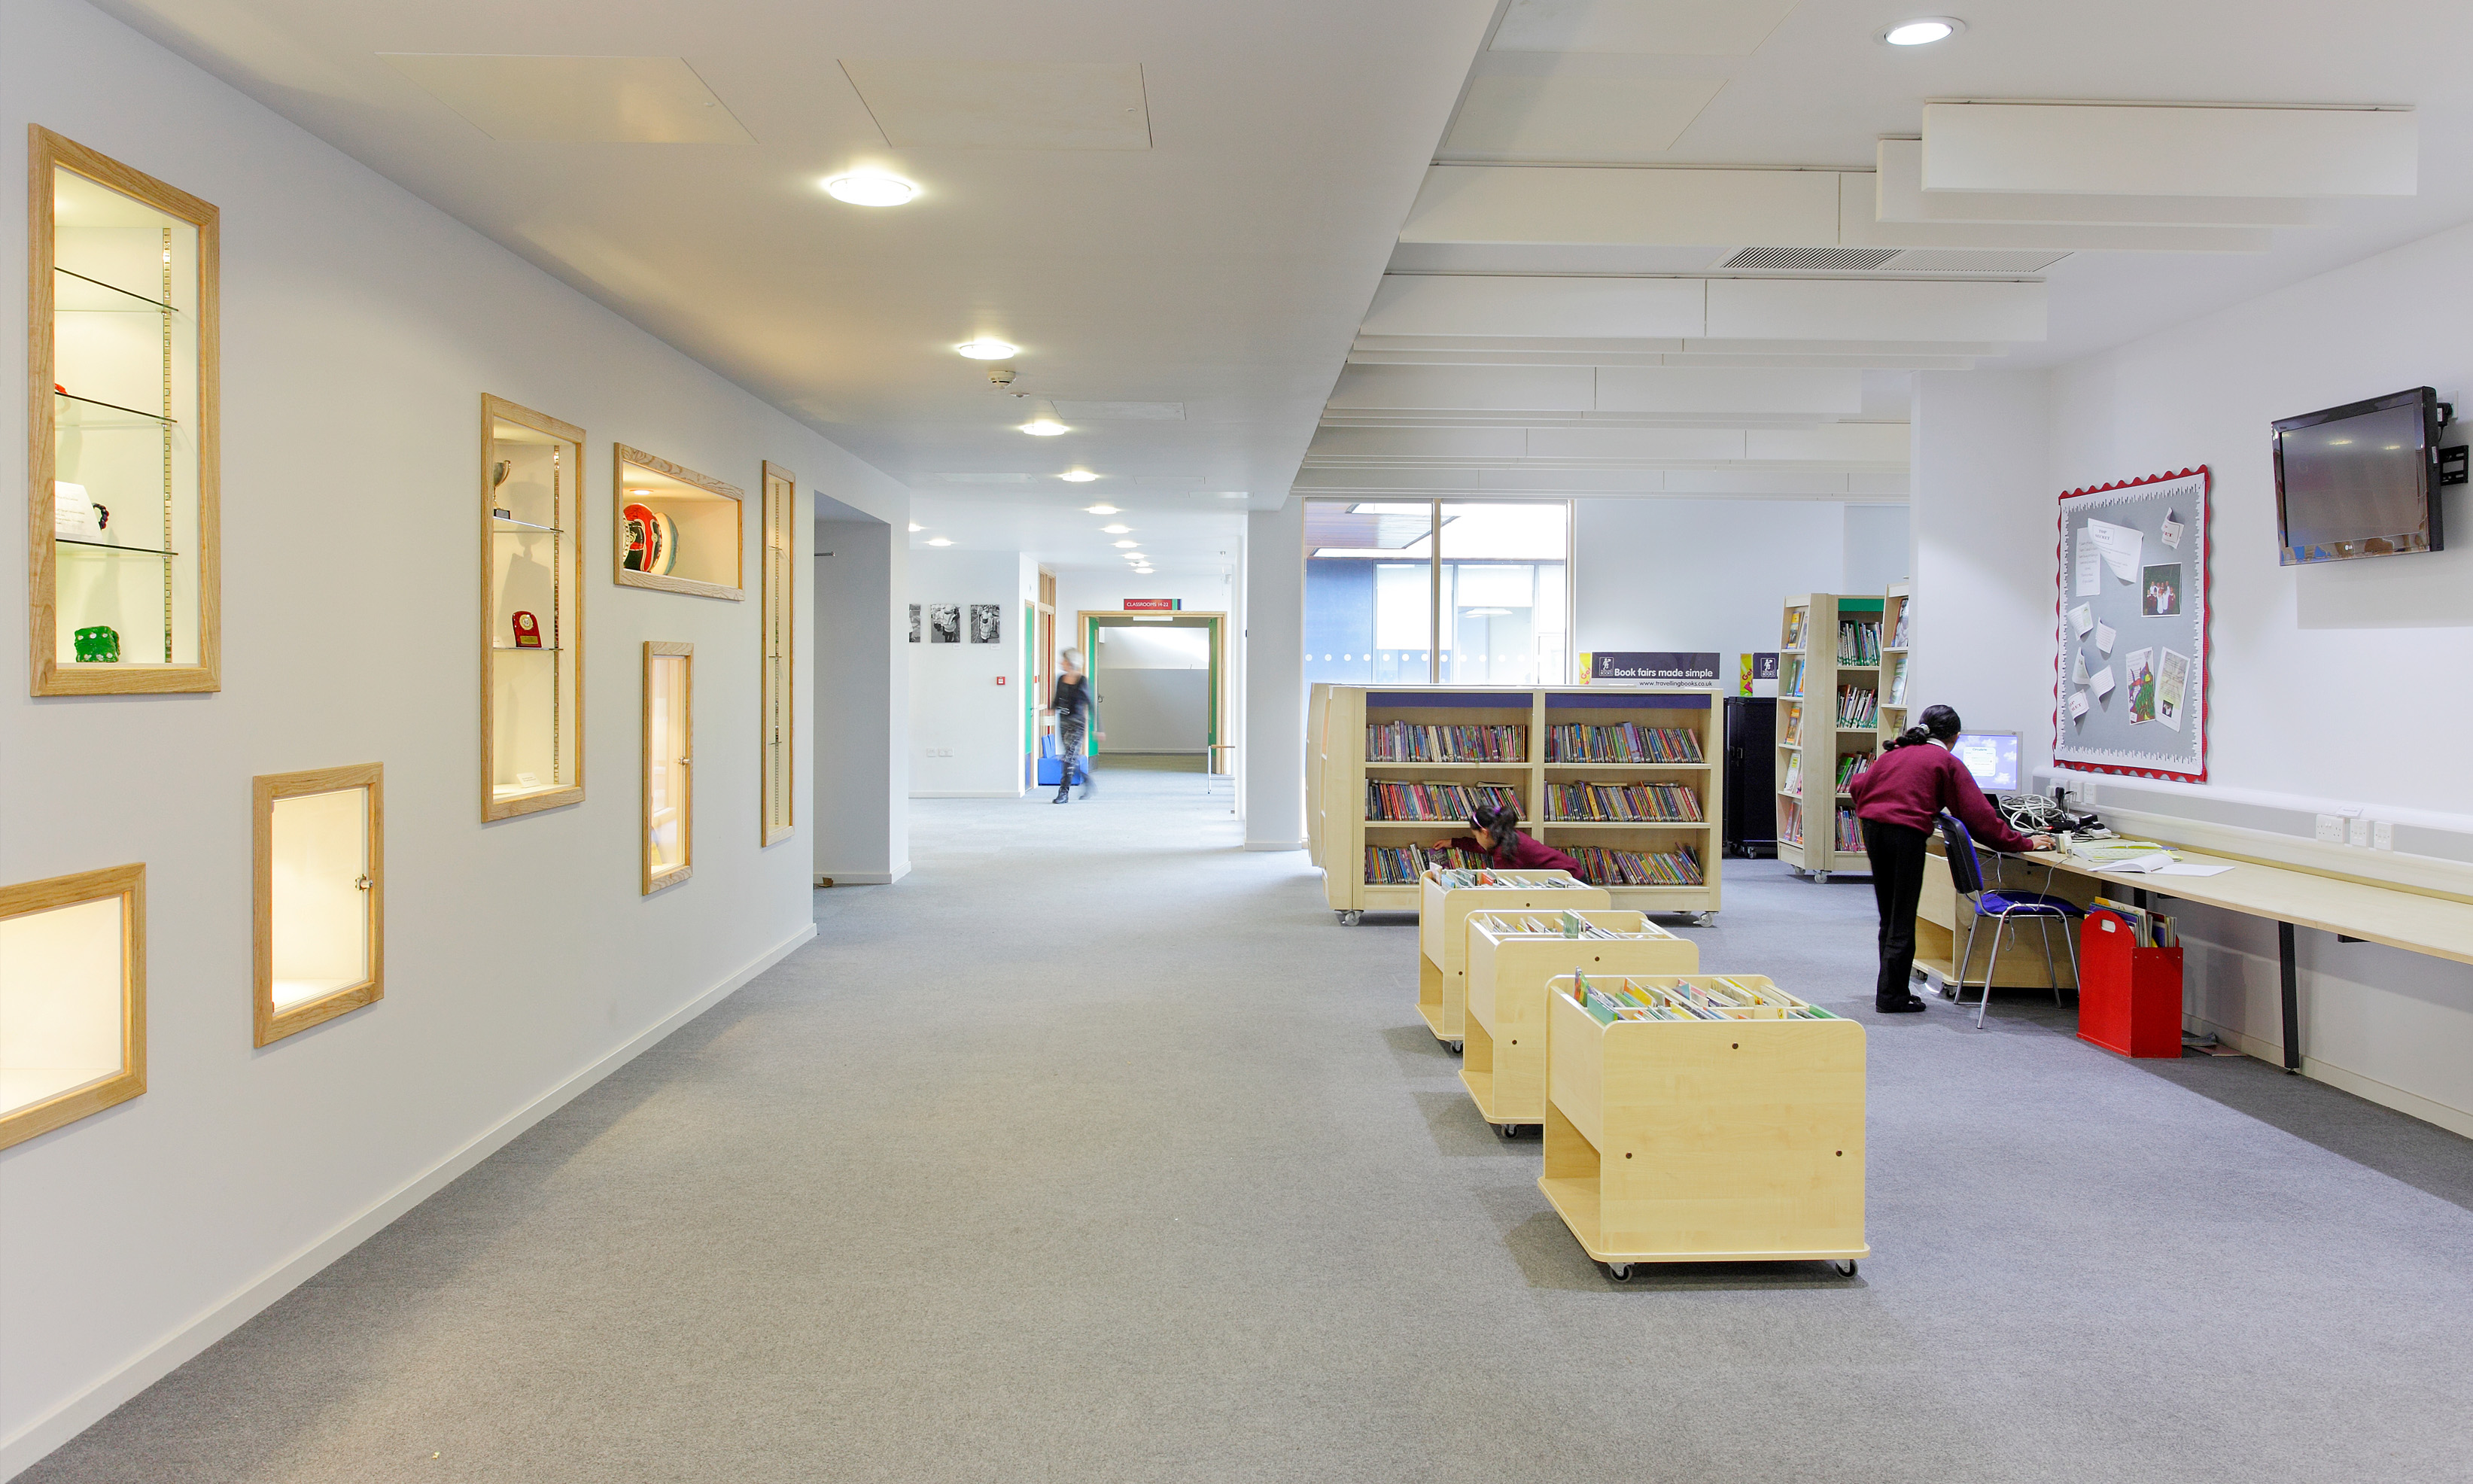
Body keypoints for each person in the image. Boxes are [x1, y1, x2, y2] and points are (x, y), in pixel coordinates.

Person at [1846, 703, 2054, 1014]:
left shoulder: (1894, 753)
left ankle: (1892, 990)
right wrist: (2022, 842)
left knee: (1889, 915)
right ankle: (1892, 997)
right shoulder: (1945, 761)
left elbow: (1858, 785)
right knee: (1903, 915)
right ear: (1955, 737)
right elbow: (1978, 817)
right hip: (1906, 835)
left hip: (1873, 829)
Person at [1434, 802, 1584, 877]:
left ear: (1485, 833)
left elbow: (1505, 888)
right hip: (1571, 872)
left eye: (1476, 835)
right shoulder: (1506, 837)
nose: (1476, 840)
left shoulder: (1505, 853)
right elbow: (1480, 846)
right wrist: (1452, 842)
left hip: (1570, 880)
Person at [1048, 649, 1103, 803]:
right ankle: (1088, 782)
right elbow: (1057, 699)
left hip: (1077, 723)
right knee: (1068, 758)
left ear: (1072, 662)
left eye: (1064, 660)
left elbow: (1091, 704)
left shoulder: (1082, 681)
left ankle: (1063, 793)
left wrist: (1098, 728)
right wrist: (1051, 709)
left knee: (1070, 757)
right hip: (1063, 722)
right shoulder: (1061, 679)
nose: (1061, 663)